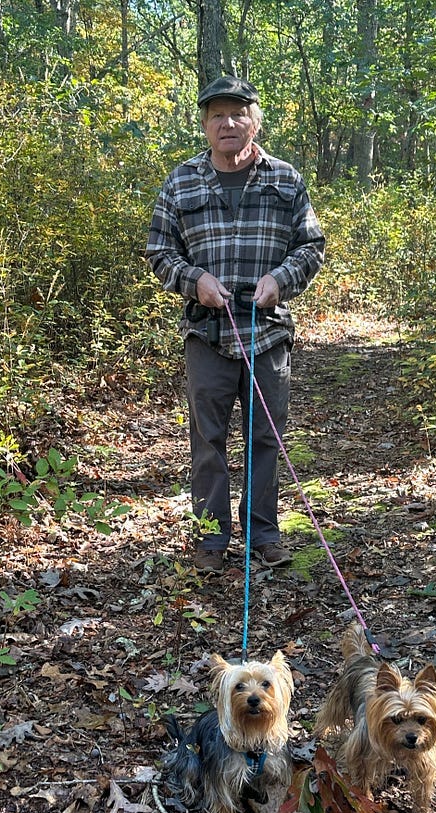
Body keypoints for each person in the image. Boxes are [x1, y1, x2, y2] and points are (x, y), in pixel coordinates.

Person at [145, 75, 325, 574]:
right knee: (208, 441)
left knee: (267, 438)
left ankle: (263, 534)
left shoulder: (285, 179)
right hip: (207, 334)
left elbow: (311, 246)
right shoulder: (181, 182)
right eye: (217, 115)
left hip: (267, 335)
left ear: (254, 121)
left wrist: (280, 279)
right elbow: (159, 251)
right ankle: (210, 540)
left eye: (237, 114)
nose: (227, 123)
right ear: (205, 125)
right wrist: (195, 278)